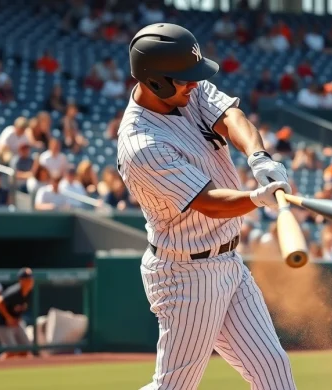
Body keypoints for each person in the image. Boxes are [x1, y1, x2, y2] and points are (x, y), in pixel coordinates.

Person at [118, 24, 296, 390]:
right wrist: (256, 199)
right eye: (185, 79)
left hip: (228, 262)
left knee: (274, 371)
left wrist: (259, 157)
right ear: (156, 82)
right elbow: (208, 203)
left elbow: (232, 118)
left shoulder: (186, 92)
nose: (194, 84)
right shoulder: (141, 144)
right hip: (185, 274)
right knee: (174, 387)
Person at [0, 268, 34, 360]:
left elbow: (20, 308)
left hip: (15, 322)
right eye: (28, 279)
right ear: (21, 280)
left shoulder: (29, 292)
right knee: (12, 351)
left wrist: (17, 318)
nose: (30, 281)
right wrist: (8, 318)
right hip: (2, 323)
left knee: (26, 349)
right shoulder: (14, 292)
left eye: (31, 278)